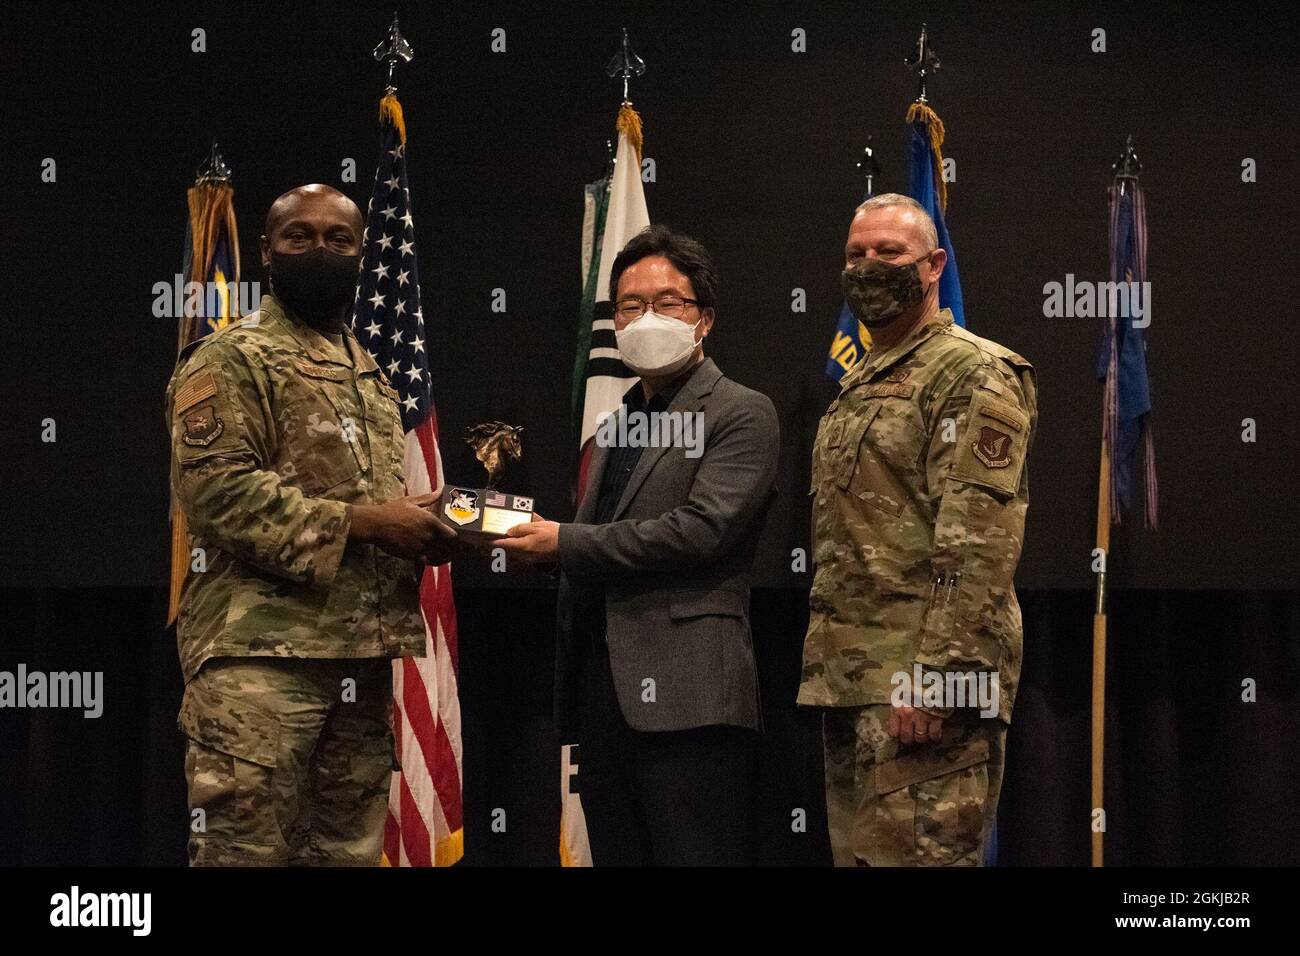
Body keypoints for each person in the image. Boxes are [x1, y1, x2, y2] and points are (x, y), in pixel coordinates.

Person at [166, 183, 462, 865]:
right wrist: (367, 524)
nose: (320, 249)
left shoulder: (368, 371)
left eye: (339, 239)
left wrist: (431, 531)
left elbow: (371, 506)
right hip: (260, 666)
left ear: (362, 253)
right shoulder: (228, 357)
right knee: (246, 856)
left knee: (345, 857)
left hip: (358, 659)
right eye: (300, 236)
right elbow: (221, 495)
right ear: (268, 251)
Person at [498, 226, 779, 865]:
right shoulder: (620, 419)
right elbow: (600, 543)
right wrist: (536, 547)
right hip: (602, 695)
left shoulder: (741, 412)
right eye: (630, 305)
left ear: (703, 319)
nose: (646, 317)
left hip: (689, 699)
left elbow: (700, 531)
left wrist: (564, 543)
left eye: (667, 303)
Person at [799, 194, 1038, 866]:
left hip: (923, 685)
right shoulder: (865, 379)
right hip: (856, 680)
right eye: (856, 254)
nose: (869, 266)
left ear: (935, 265)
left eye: (890, 253)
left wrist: (940, 679)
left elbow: (980, 541)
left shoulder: (974, 372)